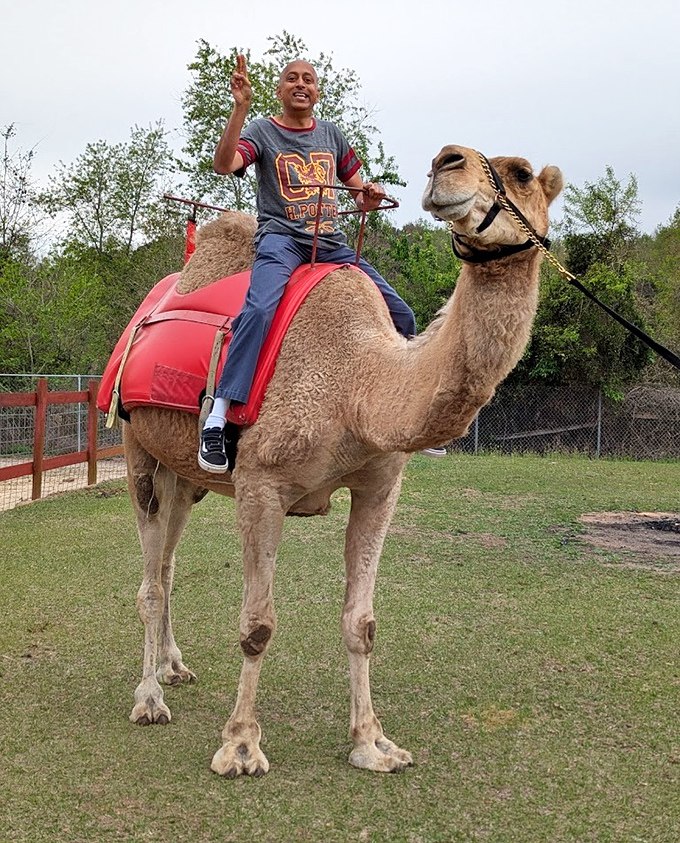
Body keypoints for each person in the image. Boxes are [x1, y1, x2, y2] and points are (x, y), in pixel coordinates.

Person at [198, 55, 417, 472]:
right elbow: (224, 165)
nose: (301, 84)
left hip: (330, 241)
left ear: (317, 91)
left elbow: (357, 193)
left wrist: (368, 196)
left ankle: (402, 412)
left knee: (402, 314)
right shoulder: (262, 130)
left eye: (309, 79)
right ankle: (218, 415)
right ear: (280, 90)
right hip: (282, 240)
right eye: (292, 78)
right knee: (260, 309)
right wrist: (240, 107)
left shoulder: (332, 135)